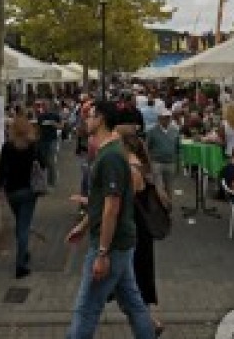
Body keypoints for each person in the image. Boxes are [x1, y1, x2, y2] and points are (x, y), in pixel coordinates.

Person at [65, 100, 157, 339]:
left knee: (86, 309)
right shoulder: (109, 153)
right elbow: (100, 201)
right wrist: (83, 226)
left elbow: (111, 206)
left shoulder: (111, 157)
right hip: (118, 242)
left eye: (90, 115)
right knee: (133, 304)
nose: (86, 119)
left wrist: (102, 252)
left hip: (111, 244)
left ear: (102, 119)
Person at [121, 131, 166, 336]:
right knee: (136, 283)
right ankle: (148, 322)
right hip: (143, 233)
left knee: (132, 285)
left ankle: (148, 325)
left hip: (135, 232)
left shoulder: (132, 171)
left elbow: (123, 203)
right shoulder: (146, 170)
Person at [0, 114, 44, 279]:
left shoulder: (7, 147)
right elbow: (43, 164)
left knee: (20, 223)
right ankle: (20, 264)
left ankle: (24, 252)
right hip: (29, 190)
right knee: (24, 225)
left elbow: (1, 169)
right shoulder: (33, 146)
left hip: (12, 191)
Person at [145, 107, 180, 201]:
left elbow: (177, 148)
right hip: (157, 163)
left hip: (170, 163)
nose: (167, 119)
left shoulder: (175, 131)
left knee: (169, 188)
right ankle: (162, 209)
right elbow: (147, 147)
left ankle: (168, 210)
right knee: (159, 189)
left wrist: (178, 163)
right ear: (159, 118)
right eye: (164, 117)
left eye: (168, 117)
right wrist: (148, 163)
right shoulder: (152, 131)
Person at [36, 100, 62, 189]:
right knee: (44, 161)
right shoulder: (41, 117)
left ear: (50, 106)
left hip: (52, 140)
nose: (45, 107)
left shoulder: (55, 116)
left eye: (46, 105)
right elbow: (38, 128)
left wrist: (54, 124)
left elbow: (61, 126)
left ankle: (52, 182)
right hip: (42, 141)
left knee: (50, 161)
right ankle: (45, 181)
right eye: (43, 105)